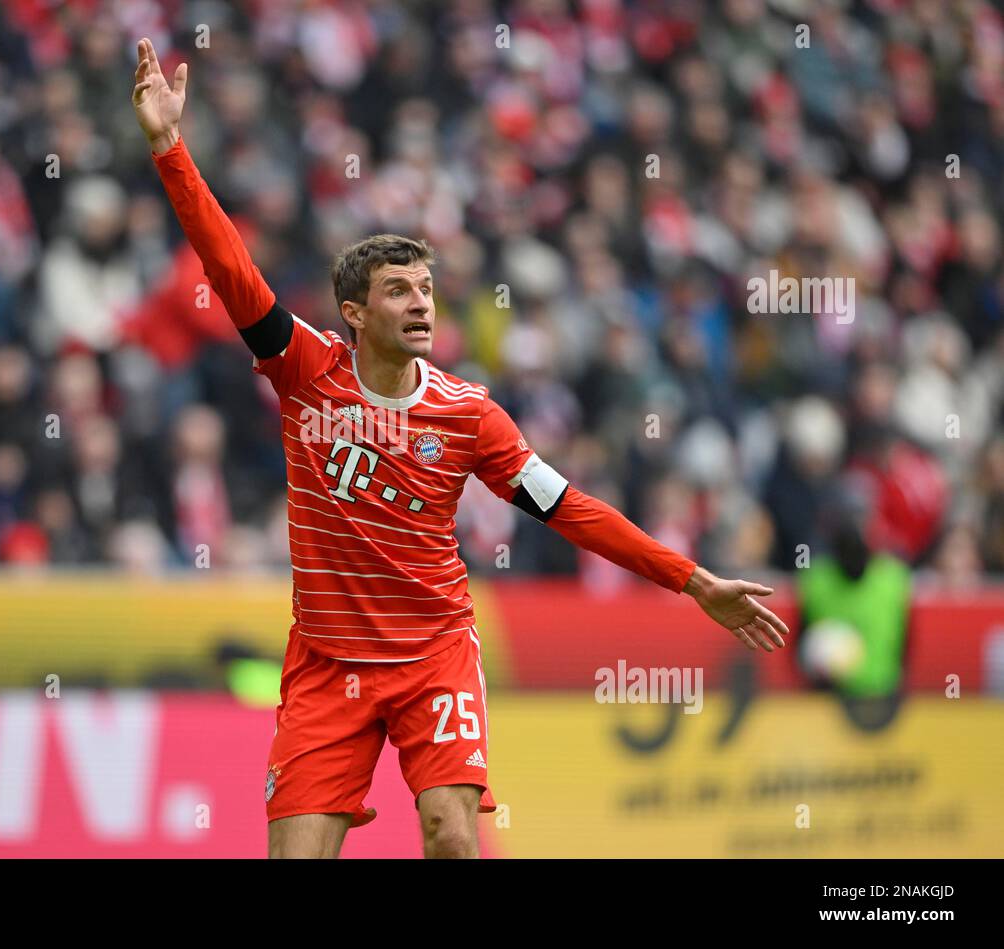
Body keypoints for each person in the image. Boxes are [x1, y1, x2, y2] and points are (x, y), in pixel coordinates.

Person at [129, 38, 790, 859]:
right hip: (326, 666)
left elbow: (569, 508)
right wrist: (168, 147)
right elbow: (227, 263)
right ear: (354, 312)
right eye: (398, 291)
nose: (421, 305)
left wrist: (692, 580)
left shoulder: (470, 414)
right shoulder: (304, 371)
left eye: (428, 290)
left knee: (450, 833)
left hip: (434, 656)